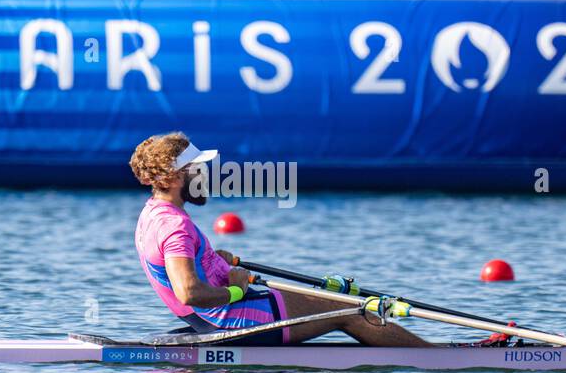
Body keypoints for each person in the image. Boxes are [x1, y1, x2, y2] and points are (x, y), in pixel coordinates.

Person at [129, 132, 432, 347]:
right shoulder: (174, 226)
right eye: (195, 169)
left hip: (220, 314)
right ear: (170, 178)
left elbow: (179, 266)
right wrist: (235, 289)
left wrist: (210, 260)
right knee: (354, 311)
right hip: (234, 318)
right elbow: (188, 293)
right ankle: (434, 358)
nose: (204, 175)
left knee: (343, 303)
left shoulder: (153, 214)